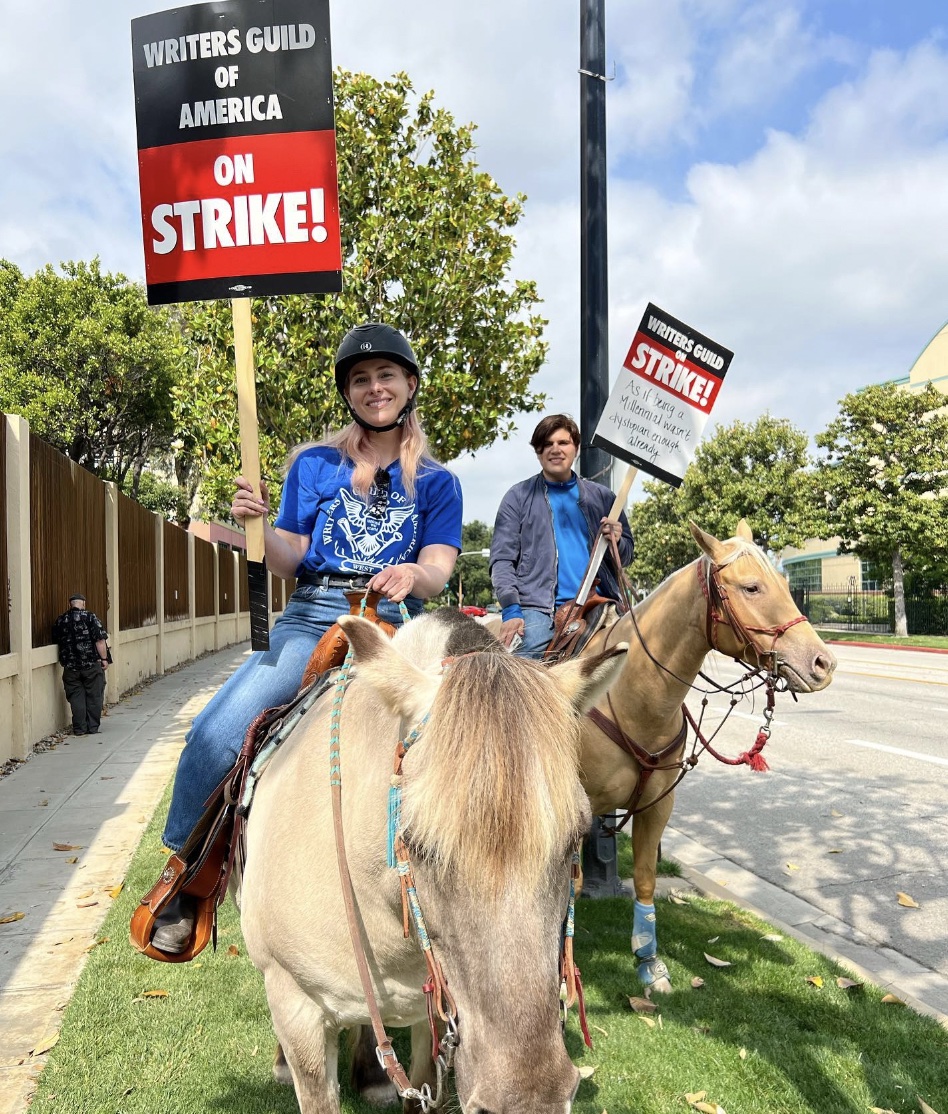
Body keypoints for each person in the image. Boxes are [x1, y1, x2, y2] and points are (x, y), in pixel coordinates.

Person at [151, 322, 462, 953]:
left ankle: (463, 881)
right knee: (215, 732)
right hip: (315, 612)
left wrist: (415, 572)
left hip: (395, 625)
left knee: (454, 738)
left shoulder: (438, 482)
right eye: (361, 380)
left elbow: (439, 567)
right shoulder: (314, 464)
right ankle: (185, 878)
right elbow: (289, 557)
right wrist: (259, 527)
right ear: (349, 393)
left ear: (409, 385)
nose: (375, 388)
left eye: (386, 376)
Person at [489, 414, 634, 659]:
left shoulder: (605, 498)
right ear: (538, 451)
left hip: (599, 601)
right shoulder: (518, 497)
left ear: (576, 447)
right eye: (547, 444)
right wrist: (512, 610)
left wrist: (617, 541)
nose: (555, 449)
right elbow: (501, 561)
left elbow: (627, 556)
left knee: (640, 652)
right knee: (524, 667)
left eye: (563, 442)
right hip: (539, 608)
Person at [52, 593, 109, 735]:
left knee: (75, 697)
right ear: (83, 603)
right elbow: (100, 641)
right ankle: (92, 727)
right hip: (91, 665)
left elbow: (57, 639)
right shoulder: (90, 617)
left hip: (71, 667)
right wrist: (104, 659)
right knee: (94, 695)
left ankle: (79, 728)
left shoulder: (61, 620)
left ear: (70, 604)